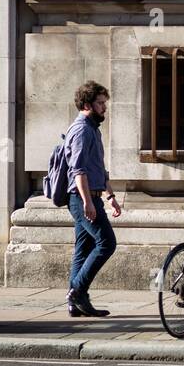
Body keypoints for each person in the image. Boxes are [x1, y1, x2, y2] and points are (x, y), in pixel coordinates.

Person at [65, 81, 121, 317]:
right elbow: (78, 170)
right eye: (100, 103)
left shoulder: (92, 129)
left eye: (104, 103)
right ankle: (77, 291)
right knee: (107, 243)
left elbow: (98, 168)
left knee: (83, 248)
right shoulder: (81, 130)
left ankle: (75, 303)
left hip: (92, 195)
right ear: (87, 105)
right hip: (82, 197)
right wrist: (88, 202)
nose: (104, 108)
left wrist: (110, 196)